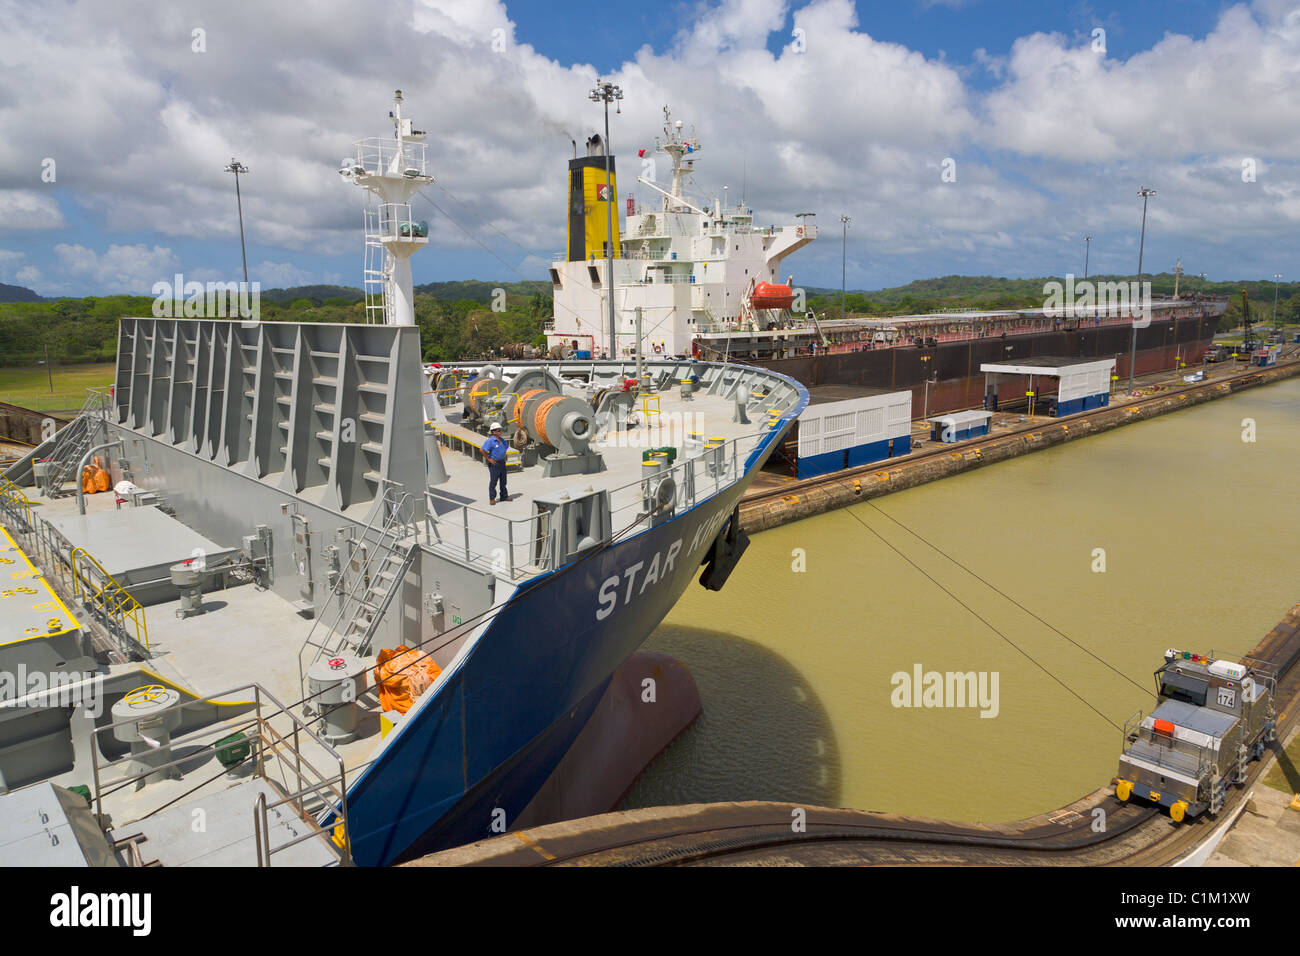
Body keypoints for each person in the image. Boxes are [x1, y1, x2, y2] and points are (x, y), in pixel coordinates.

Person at [481, 422, 509, 504]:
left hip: (502, 463)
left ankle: (504, 496)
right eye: (498, 430)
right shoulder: (490, 441)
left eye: (500, 430)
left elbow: (505, 448)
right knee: (494, 481)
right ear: (493, 432)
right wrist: (489, 459)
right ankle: (492, 498)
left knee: (503, 481)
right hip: (495, 464)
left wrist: (504, 455)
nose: (500, 432)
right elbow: (482, 450)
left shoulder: (502, 440)